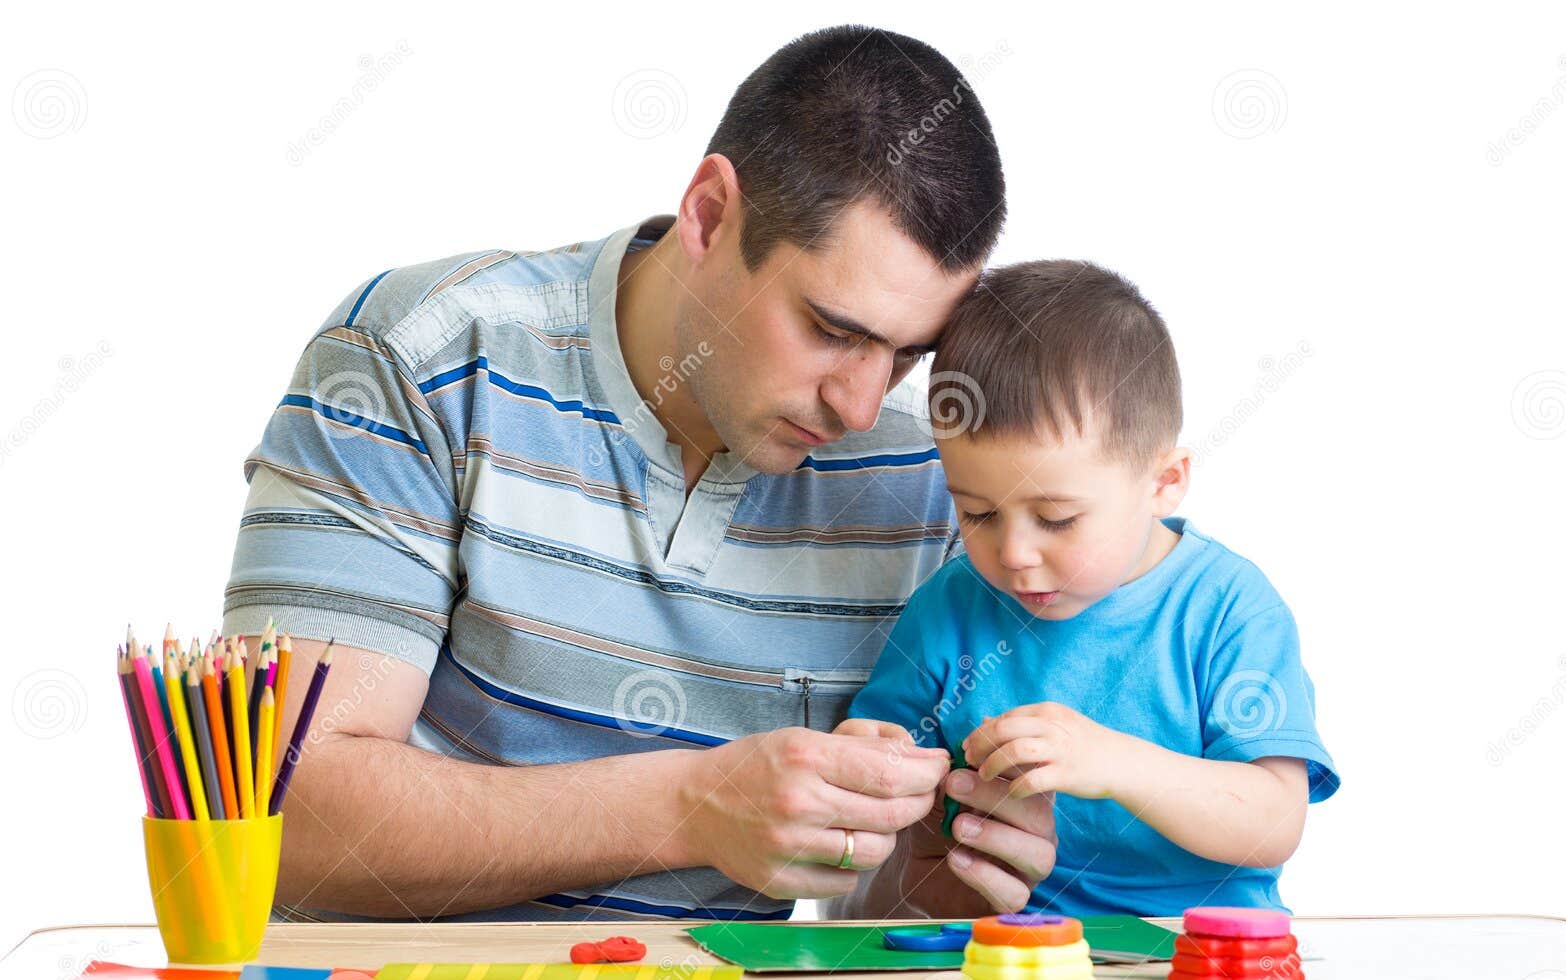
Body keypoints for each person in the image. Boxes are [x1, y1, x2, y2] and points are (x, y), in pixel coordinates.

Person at [223, 26, 1056, 921]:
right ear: (708, 215)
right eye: (832, 330)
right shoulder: (423, 355)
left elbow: (869, 905)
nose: (860, 407)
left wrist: (938, 876)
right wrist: (688, 809)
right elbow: (275, 811)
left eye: (906, 354)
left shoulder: (932, 473)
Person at [838, 260, 1338, 916]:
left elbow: (1274, 822)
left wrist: (1111, 762)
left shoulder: (1228, 610)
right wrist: (868, 759)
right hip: (1009, 953)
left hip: (1197, 953)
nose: (1013, 554)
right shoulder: (949, 607)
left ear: (1164, 482)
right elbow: (881, 768)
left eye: (1056, 519)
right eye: (978, 513)